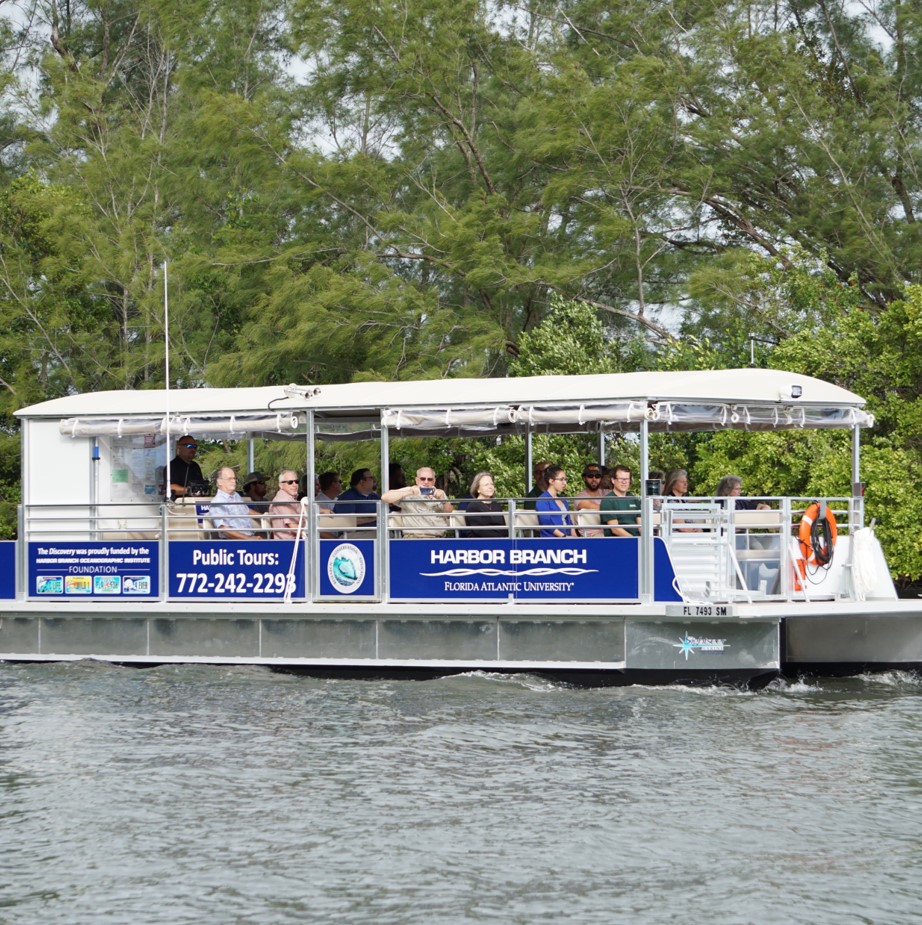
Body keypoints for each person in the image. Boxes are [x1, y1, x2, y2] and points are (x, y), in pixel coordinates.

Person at [381, 467, 453, 538]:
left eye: (430, 479)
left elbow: (448, 514)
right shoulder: (410, 490)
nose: (426, 482)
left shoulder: (439, 493)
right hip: (414, 538)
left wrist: (443, 500)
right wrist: (410, 492)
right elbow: (385, 497)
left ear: (434, 481)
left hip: (438, 539)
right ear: (417, 480)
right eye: (422, 479)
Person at [209, 467, 261, 539]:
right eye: (230, 479)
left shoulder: (235, 495)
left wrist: (266, 516)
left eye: (234, 478)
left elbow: (246, 510)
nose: (233, 481)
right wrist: (248, 538)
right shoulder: (217, 502)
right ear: (219, 481)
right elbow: (223, 529)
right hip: (234, 542)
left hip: (249, 535)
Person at [460, 471, 506, 538]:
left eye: (492, 484)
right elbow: (479, 531)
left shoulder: (497, 505)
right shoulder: (473, 506)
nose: (490, 487)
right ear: (478, 489)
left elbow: (504, 529)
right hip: (480, 543)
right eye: (486, 485)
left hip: (500, 541)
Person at [599, 465, 642, 537]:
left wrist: (645, 540)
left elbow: (641, 525)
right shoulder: (608, 500)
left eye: (627, 479)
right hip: (619, 542)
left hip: (638, 541)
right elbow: (615, 529)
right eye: (621, 479)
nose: (624, 482)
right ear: (613, 480)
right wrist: (634, 539)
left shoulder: (634, 499)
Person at [536, 465, 576, 538]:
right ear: (551, 481)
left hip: (567, 538)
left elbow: (569, 521)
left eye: (565, 480)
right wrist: (564, 537)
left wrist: (576, 538)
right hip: (552, 540)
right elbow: (546, 524)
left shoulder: (563, 500)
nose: (565, 483)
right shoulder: (542, 500)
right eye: (561, 480)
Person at [336, 468, 380, 533]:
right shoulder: (348, 497)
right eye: (371, 478)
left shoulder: (374, 496)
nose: (374, 480)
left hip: (377, 532)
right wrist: (374, 518)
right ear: (362, 482)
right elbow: (347, 521)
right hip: (356, 536)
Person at [574, 463, 609, 537]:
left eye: (597, 476)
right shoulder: (580, 497)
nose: (594, 479)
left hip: (608, 532)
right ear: (584, 478)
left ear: (601, 478)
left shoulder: (607, 493)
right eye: (590, 476)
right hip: (590, 537)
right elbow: (602, 508)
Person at [269, 470, 304, 540]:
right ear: (281, 485)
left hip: (299, 540)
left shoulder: (290, 499)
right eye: (290, 482)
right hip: (289, 544)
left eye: (296, 481)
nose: (294, 485)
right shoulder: (282, 500)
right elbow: (294, 528)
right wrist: (315, 534)